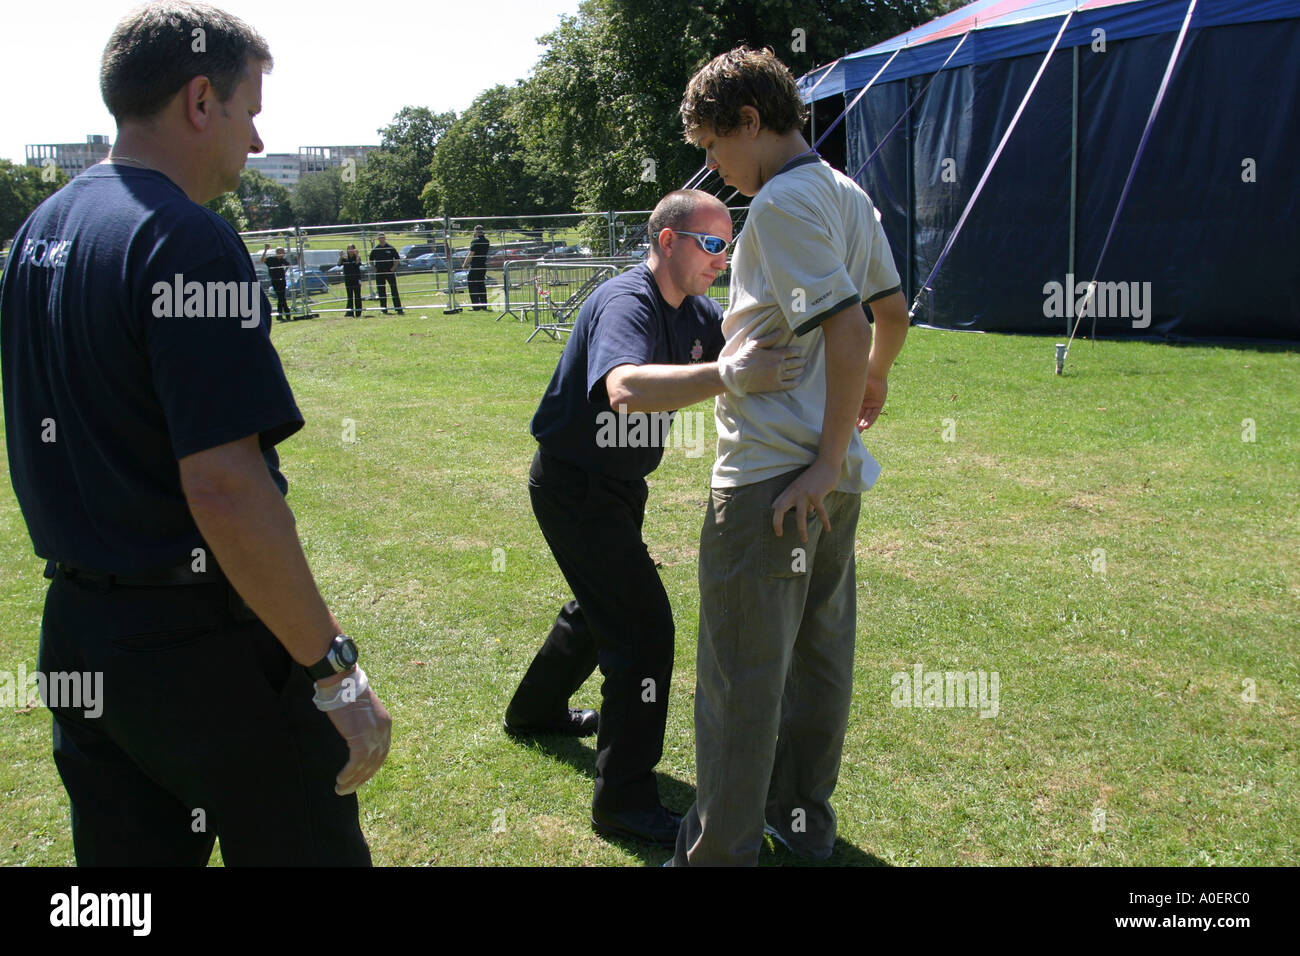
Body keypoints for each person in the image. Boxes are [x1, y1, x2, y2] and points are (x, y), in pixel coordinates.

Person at [0, 1, 391, 866]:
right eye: (251, 113)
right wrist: (334, 668)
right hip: (196, 644)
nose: (255, 143)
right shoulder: (184, 239)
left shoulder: (35, 235)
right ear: (200, 101)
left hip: (78, 630)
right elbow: (224, 487)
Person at [670, 47, 912, 867]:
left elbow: (849, 324)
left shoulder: (779, 205)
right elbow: (891, 312)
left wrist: (818, 456)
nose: (714, 168)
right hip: (830, 480)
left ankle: (721, 853)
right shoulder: (846, 191)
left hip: (774, 479)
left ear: (749, 121)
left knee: (739, 680)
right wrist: (869, 385)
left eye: (713, 145)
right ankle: (801, 824)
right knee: (817, 663)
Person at [506, 188, 806, 847]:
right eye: (711, 243)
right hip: (574, 487)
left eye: (728, 245)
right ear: (667, 242)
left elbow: (744, 335)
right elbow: (624, 389)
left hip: (613, 490)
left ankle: (533, 712)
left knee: (601, 605)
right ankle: (623, 802)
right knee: (643, 635)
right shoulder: (628, 301)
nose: (722, 259)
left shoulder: (692, 310)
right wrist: (728, 376)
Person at [368, 232, 403, 314]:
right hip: (380, 272)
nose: (381, 239)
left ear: (385, 238)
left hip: (389, 271)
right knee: (381, 290)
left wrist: (393, 268)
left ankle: (398, 308)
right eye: (380, 237)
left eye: (382, 237)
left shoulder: (390, 248)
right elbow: (370, 260)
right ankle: (383, 309)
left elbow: (397, 258)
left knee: (394, 289)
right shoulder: (376, 249)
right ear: (378, 239)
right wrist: (374, 269)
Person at [462, 224, 490, 311]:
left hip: (475, 266)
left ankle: (476, 306)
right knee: (481, 284)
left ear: (476, 231)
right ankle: (483, 305)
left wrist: (464, 264)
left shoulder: (475, 241)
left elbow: (471, 254)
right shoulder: (486, 241)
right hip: (483, 266)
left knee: (472, 284)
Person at [261, 243, 290, 320]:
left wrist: (285, 271)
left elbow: (289, 265)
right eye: (281, 252)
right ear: (277, 253)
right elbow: (262, 260)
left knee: (281, 298)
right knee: (281, 297)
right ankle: (287, 313)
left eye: (283, 252)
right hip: (275, 281)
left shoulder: (283, 260)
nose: (283, 254)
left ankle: (280, 315)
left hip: (282, 280)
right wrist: (265, 250)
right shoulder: (271, 259)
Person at [339, 244, 363, 316]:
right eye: (348, 249)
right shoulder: (345, 258)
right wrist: (340, 256)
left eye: (351, 249)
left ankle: (358, 312)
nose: (350, 250)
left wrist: (357, 255)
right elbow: (339, 264)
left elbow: (357, 263)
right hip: (348, 279)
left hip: (356, 279)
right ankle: (349, 312)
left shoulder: (357, 257)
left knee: (357, 295)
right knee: (349, 296)